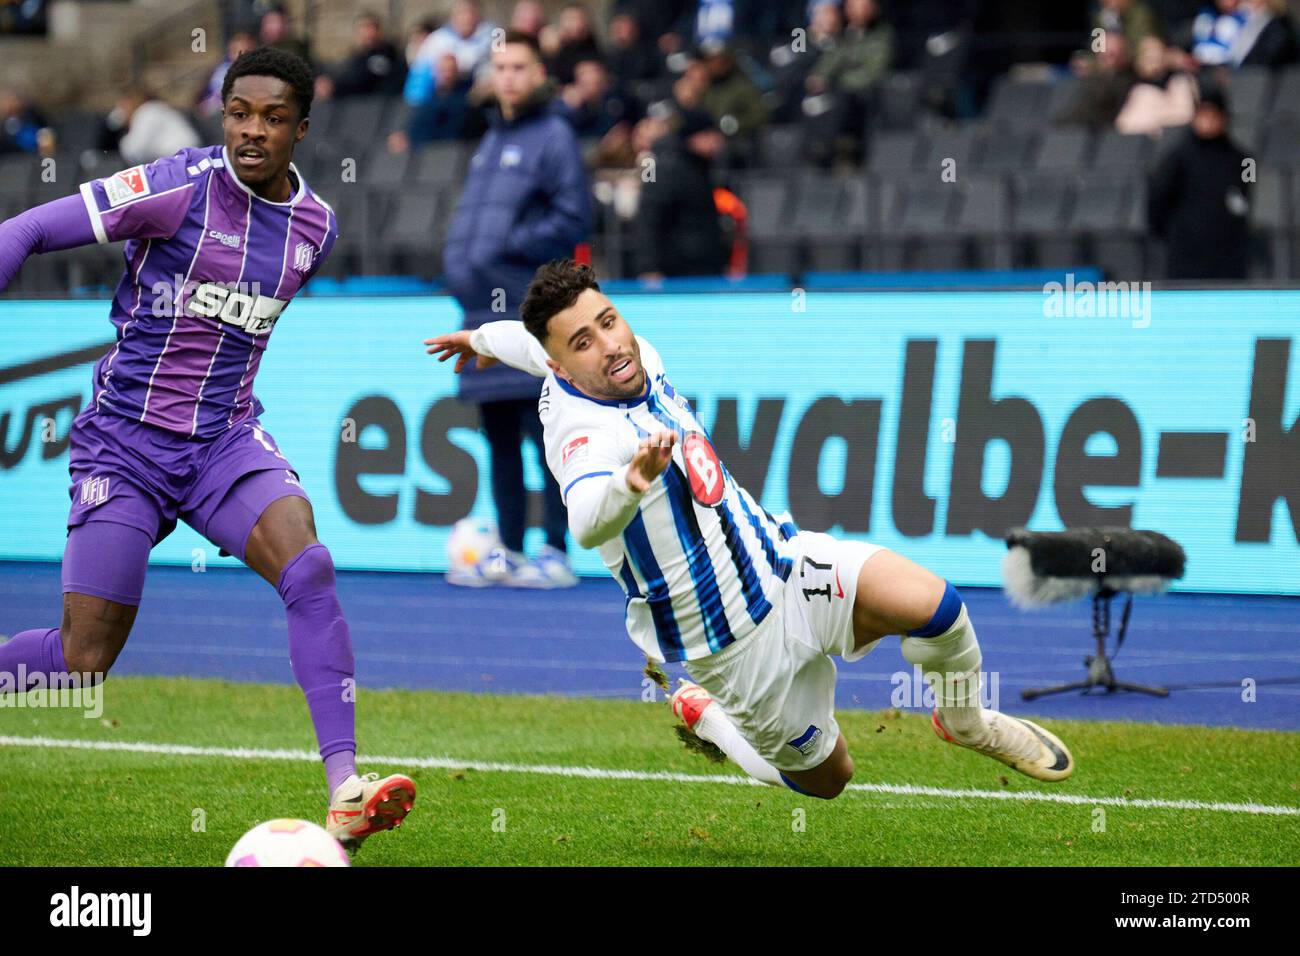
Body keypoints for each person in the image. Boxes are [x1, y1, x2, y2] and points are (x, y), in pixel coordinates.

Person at [426, 260, 1076, 799]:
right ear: (563, 366)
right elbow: (586, 519)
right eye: (585, 342)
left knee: (939, 608)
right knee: (828, 780)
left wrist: (479, 338)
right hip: (729, 644)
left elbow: (529, 343)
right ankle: (712, 720)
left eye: (608, 320)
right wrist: (631, 482)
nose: (610, 344)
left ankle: (966, 722)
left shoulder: (631, 355)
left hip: (780, 562)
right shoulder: (583, 435)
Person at [0, 47, 415, 853]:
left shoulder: (316, 227)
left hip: (224, 440)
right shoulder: (174, 187)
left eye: (271, 118)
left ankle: (346, 790)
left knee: (310, 566)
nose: (251, 132)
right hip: (125, 445)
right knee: (83, 663)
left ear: (301, 127)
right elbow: (27, 229)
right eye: (238, 113)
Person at [440, 32, 590, 588]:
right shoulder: (489, 139)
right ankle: (508, 549)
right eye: (500, 66)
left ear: (540, 72)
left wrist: (507, 245)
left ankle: (555, 550)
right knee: (497, 434)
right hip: (479, 309)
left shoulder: (553, 136)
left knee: (543, 432)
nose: (507, 76)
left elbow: (574, 217)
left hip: (529, 311)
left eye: (519, 66)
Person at [1147, 84, 1251, 279]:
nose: (1207, 121)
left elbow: (1247, 199)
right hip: (1186, 254)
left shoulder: (1242, 160)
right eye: (1203, 114)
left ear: (1224, 117)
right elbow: (1158, 198)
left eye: (1213, 115)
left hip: (1227, 257)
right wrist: (1170, 233)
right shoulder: (1178, 158)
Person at [635, 109, 729, 279]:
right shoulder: (665, 167)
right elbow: (648, 218)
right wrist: (648, 267)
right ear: (695, 137)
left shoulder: (701, 166)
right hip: (677, 270)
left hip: (703, 266)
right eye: (711, 135)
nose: (718, 142)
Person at [321, 12, 407, 99]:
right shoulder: (353, 57)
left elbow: (364, 80)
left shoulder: (386, 56)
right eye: (364, 28)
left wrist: (335, 87)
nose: (369, 33)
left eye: (372, 28)